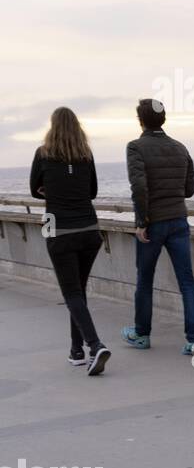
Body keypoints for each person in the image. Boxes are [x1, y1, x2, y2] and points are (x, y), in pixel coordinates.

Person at [29, 107, 111, 375]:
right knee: (79, 291)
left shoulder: (43, 154)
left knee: (72, 293)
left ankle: (94, 345)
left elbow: (34, 190)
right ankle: (76, 351)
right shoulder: (86, 155)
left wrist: (50, 190)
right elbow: (92, 191)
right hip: (89, 230)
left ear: (52, 126)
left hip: (59, 231)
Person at [121, 99, 194, 355]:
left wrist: (141, 221)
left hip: (152, 223)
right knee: (187, 281)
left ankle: (141, 334)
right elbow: (189, 190)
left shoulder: (136, 147)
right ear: (163, 119)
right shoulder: (180, 148)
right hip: (179, 220)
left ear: (141, 120)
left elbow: (139, 187)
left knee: (145, 280)